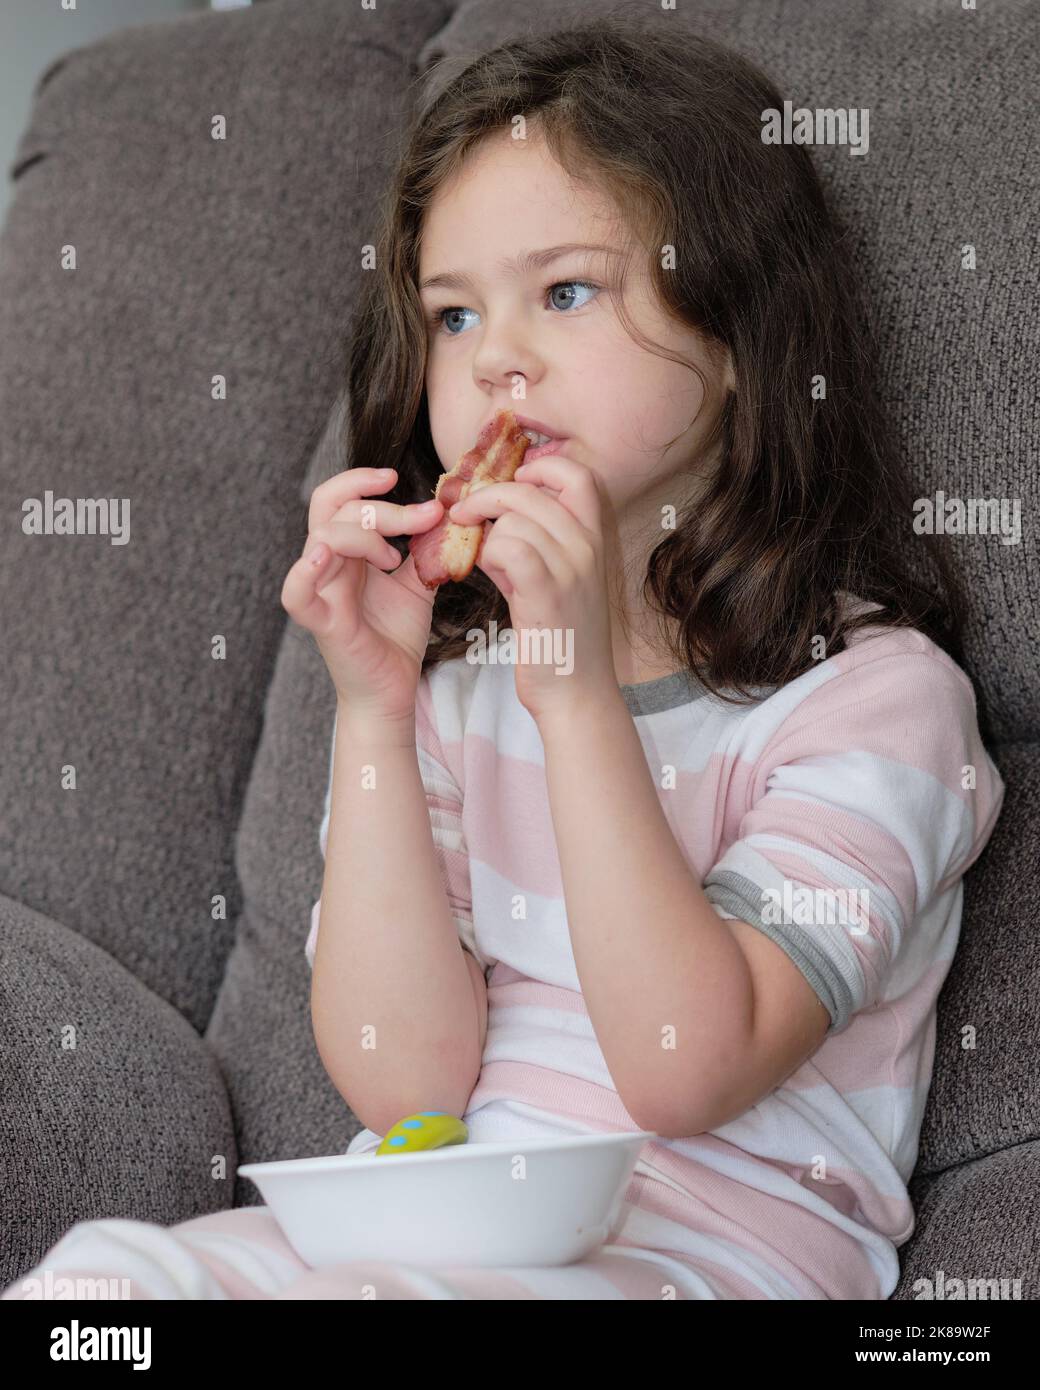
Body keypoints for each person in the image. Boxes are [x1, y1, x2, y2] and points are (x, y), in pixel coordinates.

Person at [3, 17, 1004, 1301]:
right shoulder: (459, 693)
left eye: (566, 291)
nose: (496, 361)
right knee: (107, 1287)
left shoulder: (873, 705)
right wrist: (370, 714)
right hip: (437, 1221)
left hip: (703, 1255)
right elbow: (398, 1076)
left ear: (741, 339)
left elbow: (681, 1065)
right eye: (454, 314)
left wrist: (574, 691)